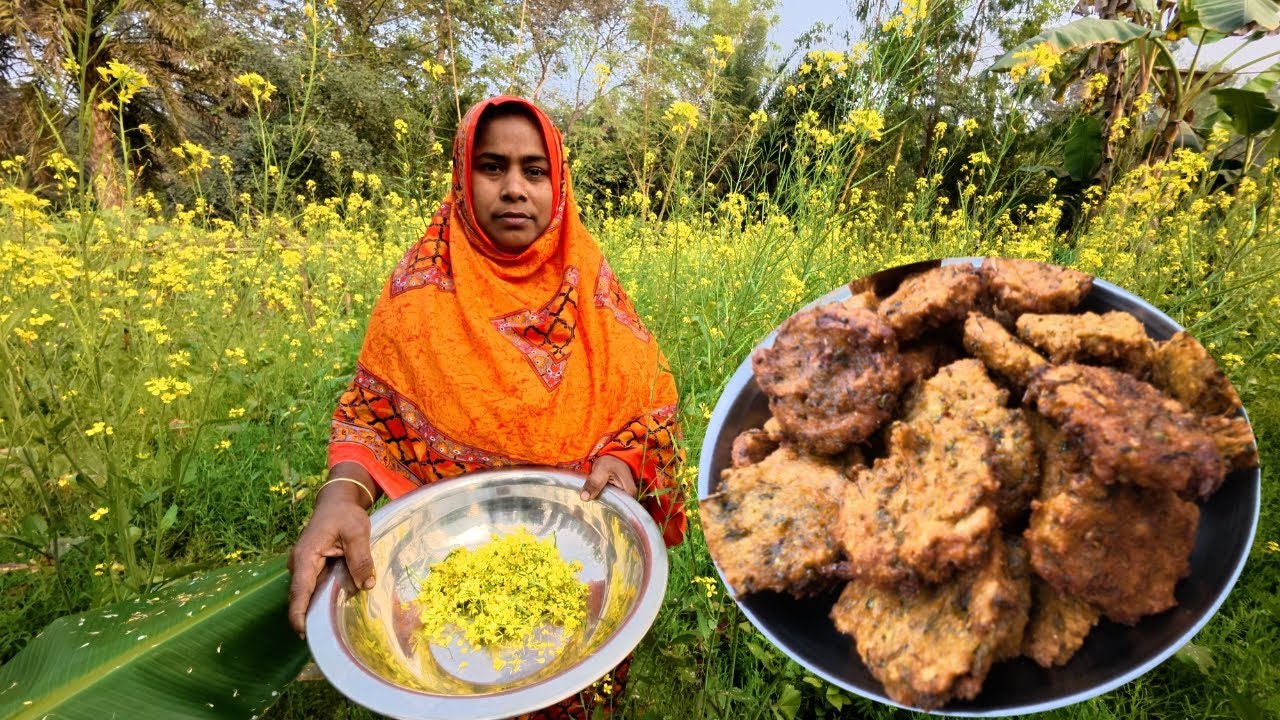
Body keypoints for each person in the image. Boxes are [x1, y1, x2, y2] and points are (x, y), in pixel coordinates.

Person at [287, 95, 687, 718]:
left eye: (535, 170)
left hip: (576, 563)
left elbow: (648, 402)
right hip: (447, 576)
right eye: (492, 166)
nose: (514, 188)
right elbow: (368, 416)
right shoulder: (420, 291)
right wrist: (340, 496)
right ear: (461, 175)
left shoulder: (590, 282)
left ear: (558, 182)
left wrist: (626, 460)